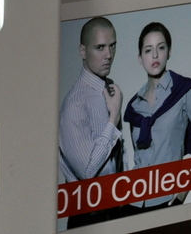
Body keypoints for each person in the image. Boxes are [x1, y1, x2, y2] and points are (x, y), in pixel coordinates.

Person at [123, 21, 191, 211]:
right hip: (132, 200)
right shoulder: (135, 105)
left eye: (161, 48)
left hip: (165, 198)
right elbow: (138, 155)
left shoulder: (184, 91)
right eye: (148, 50)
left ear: (169, 52)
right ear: (140, 58)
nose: (155, 55)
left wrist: (184, 190)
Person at [58, 16, 125, 227]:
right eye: (100, 47)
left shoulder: (110, 90)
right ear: (83, 51)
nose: (109, 55)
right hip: (89, 217)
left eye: (112, 46)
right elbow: (87, 171)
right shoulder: (75, 104)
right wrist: (113, 118)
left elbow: (118, 159)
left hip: (115, 208)